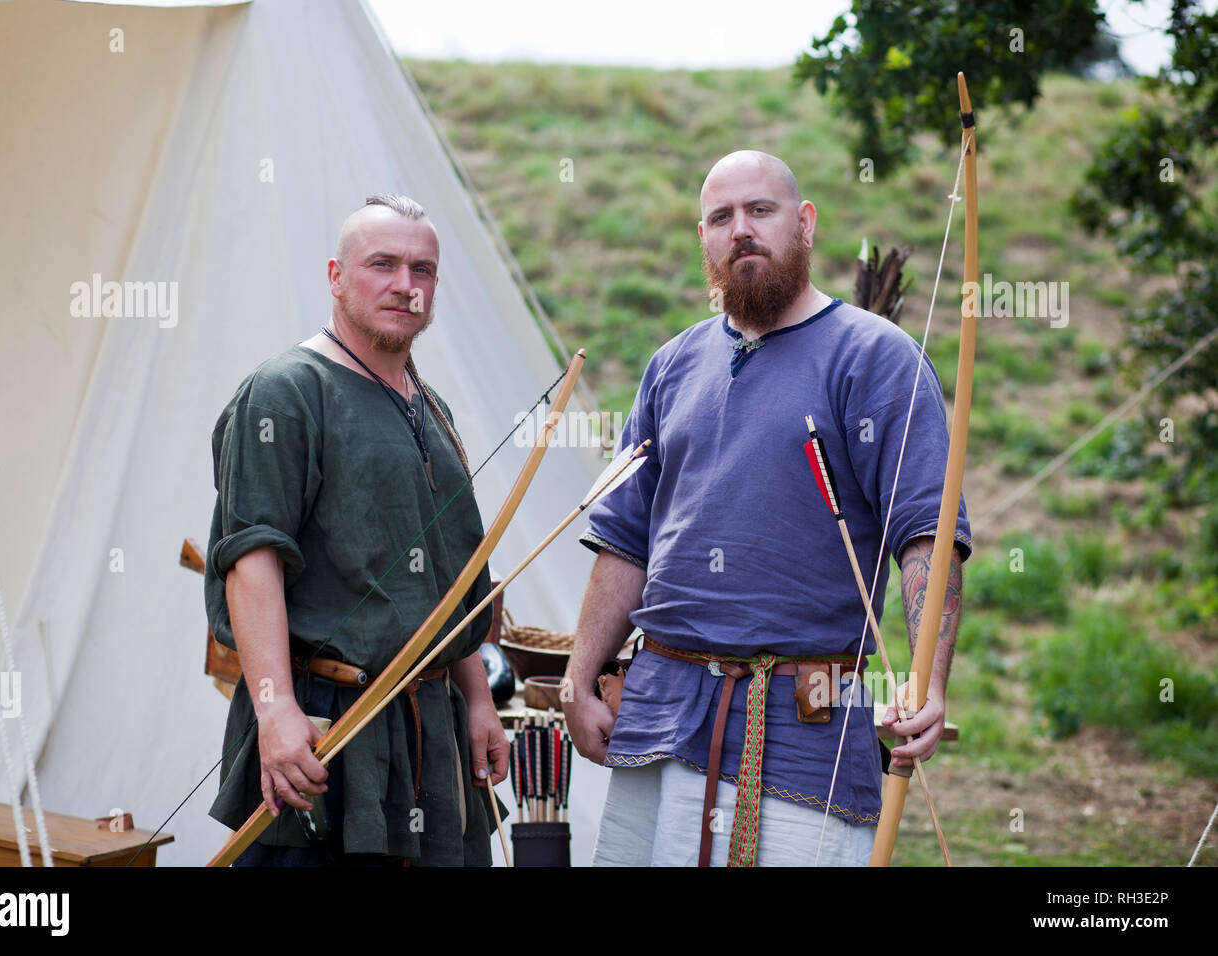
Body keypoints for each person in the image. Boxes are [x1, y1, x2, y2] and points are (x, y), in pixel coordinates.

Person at [562, 151, 970, 867]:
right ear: (704, 239)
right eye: (722, 218)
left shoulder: (876, 357)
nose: (740, 230)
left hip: (802, 727)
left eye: (761, 211)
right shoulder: (673, 365)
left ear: (805, 223)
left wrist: (926, 681)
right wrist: (578, 676)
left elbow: (926, 537)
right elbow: (625, 541)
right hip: (658, 710)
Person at [204, 194, 508, 866]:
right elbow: (251, 561)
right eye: (384, 265)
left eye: (422, 271)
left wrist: (479, 699)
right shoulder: (285, 391)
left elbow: (449, 579)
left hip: (433, 734)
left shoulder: (431, 406)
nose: (406, 285)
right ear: (337, 274)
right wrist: (274, 708)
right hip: (328, 727)